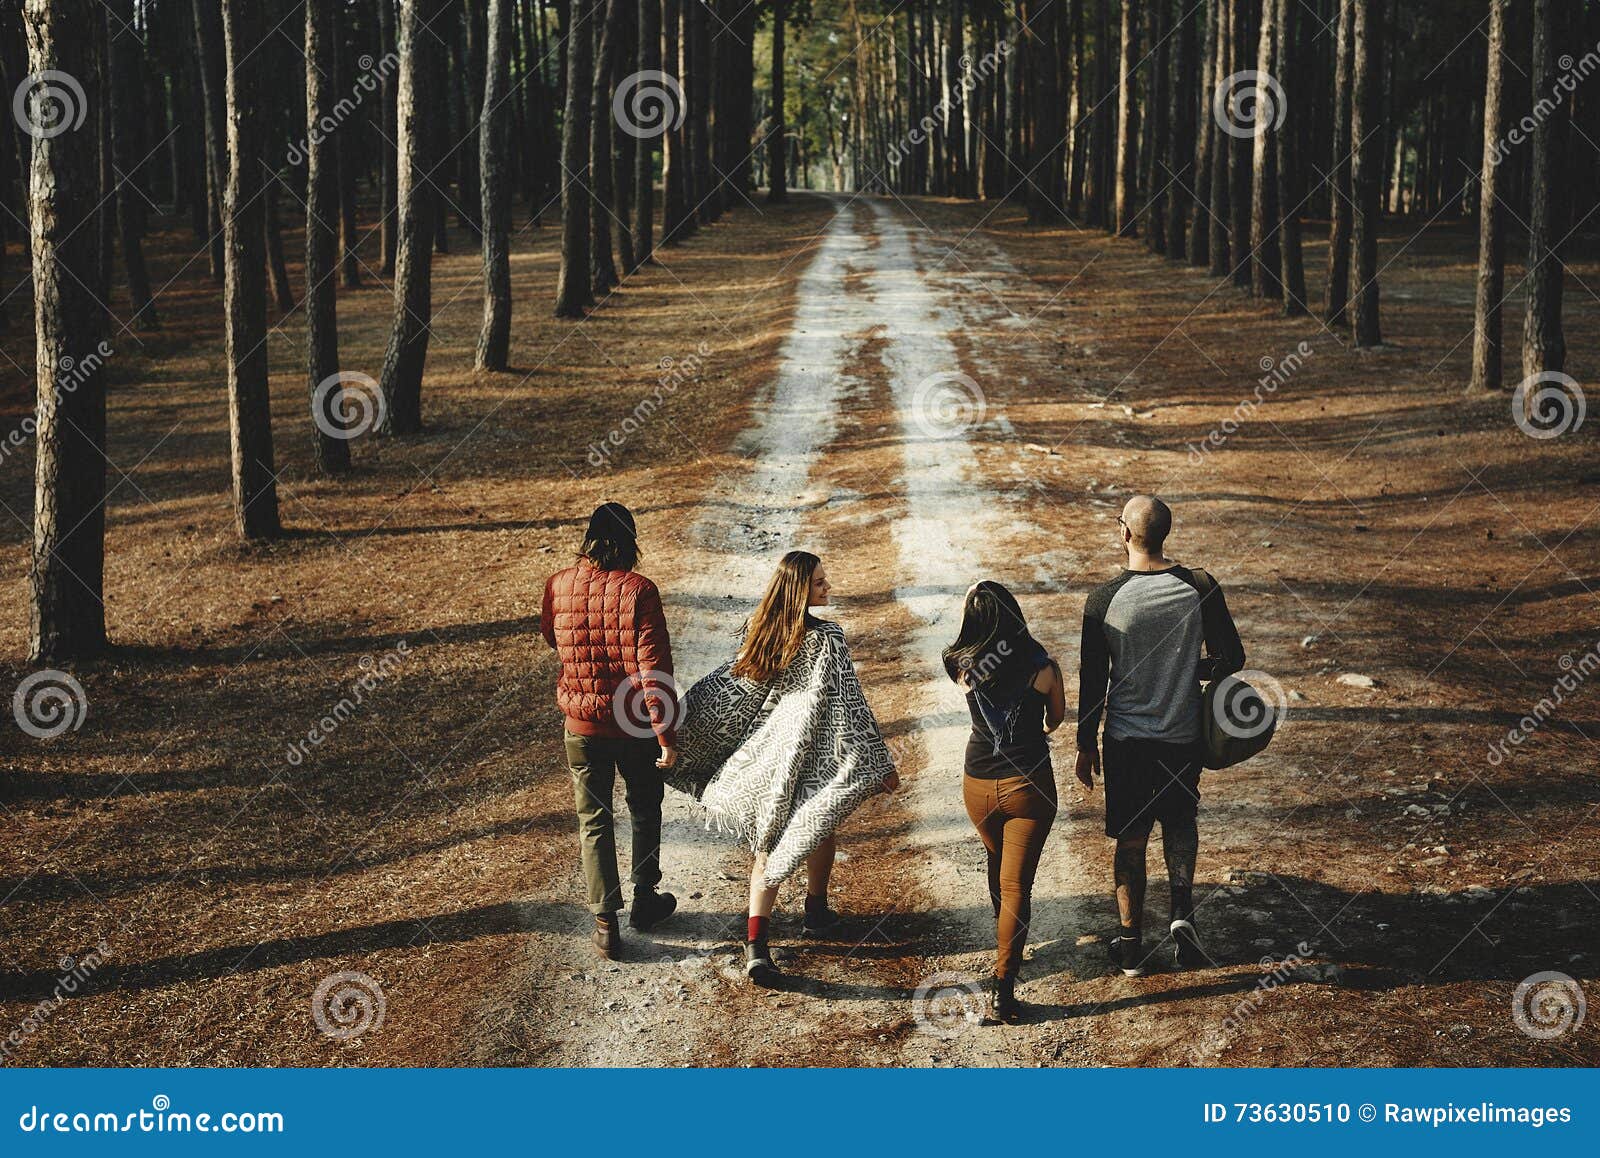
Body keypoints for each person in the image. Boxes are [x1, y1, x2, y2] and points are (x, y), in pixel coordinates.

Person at [666, 551, 898, 986]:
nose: (828, 588)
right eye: (819, 584)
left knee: (776, 841)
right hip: (810, 758)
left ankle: (764, 944)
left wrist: (679, 728)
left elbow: (727, 693)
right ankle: (811, 914)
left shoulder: (762, 633)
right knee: (816, 824)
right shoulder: (827, 638)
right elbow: (851, 706)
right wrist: (879, 762)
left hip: (765, 762)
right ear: (800, 590)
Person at [1075, 495, 1244, 977]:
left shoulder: (1104, 600)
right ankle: (1182, 914)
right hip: (1182, 736)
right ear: (1165, 533)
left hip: (1127, 742)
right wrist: (1192, 669)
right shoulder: (1199, 586)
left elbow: (1093, 679)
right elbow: (1232, 656)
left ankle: (1130, 950)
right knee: (1179, 819)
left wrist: (1086, 744)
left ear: (1124, 533)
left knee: (1130, 842)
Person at [540, 503, 679, 960]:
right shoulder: (640, 591)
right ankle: (644, 899)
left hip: (581, 725)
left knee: (593, 819)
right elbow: (653, 669)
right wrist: (666, 737)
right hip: (634, 724)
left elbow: (550, 634)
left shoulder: (559, 584)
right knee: (644, 804)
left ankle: (605, 922)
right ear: (631, 542)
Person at [944, 581, 1066, 1024]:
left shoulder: (961, 666)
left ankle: (1007, 948)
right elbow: (1055, 720)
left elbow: (965, 645)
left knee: (997, 866)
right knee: (1018, 886)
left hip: (977, 784)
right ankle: (1003, 992)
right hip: (1027, 785)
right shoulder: (1044, 668)